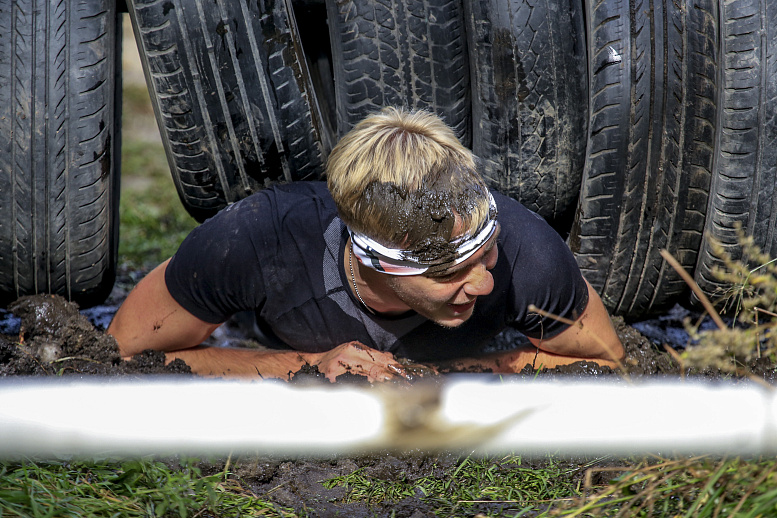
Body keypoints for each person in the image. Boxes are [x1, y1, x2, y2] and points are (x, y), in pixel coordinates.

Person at [107, 107, 624, 382]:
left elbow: (608, 365)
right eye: (449, 273)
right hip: (266, 335)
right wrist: (307, 368)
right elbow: (123, 356)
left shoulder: (528, 253)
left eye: (485, 252)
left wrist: (429, 376)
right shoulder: (256, 240)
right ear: (379, 260)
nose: (485, 281)